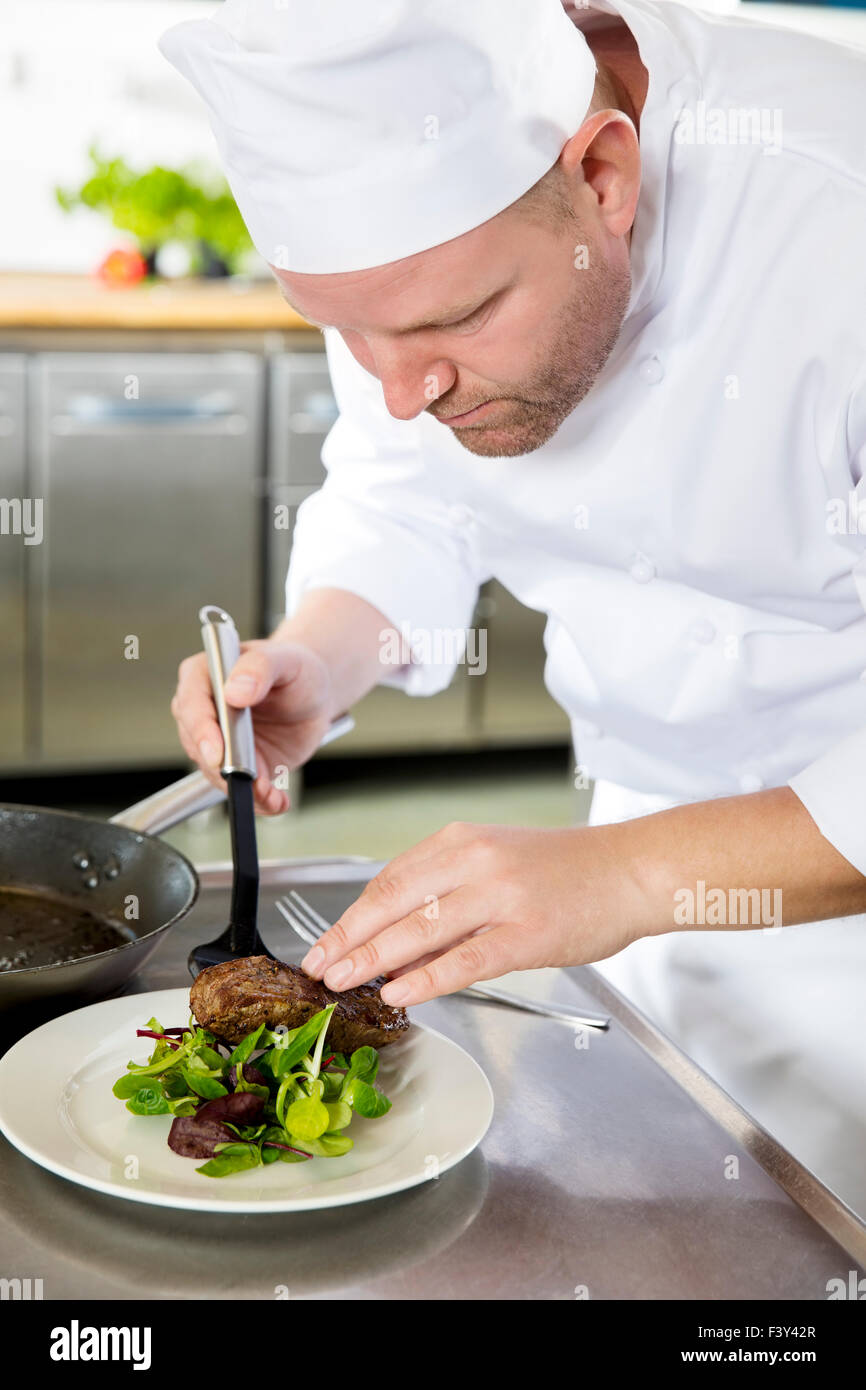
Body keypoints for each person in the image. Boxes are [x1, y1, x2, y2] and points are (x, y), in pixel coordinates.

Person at [161, 0, 866, 1210]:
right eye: (345, 332)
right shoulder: (413, 278)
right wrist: (319, 658)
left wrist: (632, 876)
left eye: (449, 320)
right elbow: (411, 497)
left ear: (600, 177)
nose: (398, 389)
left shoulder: (831, 208)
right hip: (629, 886)